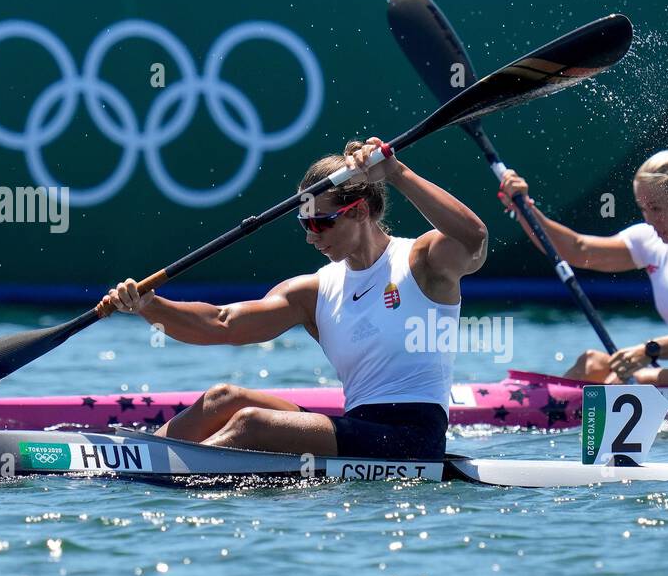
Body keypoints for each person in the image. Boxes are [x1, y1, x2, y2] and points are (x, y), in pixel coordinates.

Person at [103, 137, 487, 458]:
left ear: (362, 211)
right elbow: (221, 323)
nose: (311, 236)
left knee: (251, 424)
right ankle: (137, 459)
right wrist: (148, 305)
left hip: (411, 440)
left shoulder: (422, 263)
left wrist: (396, 173)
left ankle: (163, 473)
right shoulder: (314, 291)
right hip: (358, 428)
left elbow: (474, 239)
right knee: (223, 399)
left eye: (321, 222)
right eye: (305, 223)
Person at [497, 138, 668, 384]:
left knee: (629, 379)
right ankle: (552, 418)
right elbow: (577, 250)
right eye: (643, 209)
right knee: (590, 365)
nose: (649, 219)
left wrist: (649, 351)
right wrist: (524, 208)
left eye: (657, 209)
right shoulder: (651, 241)